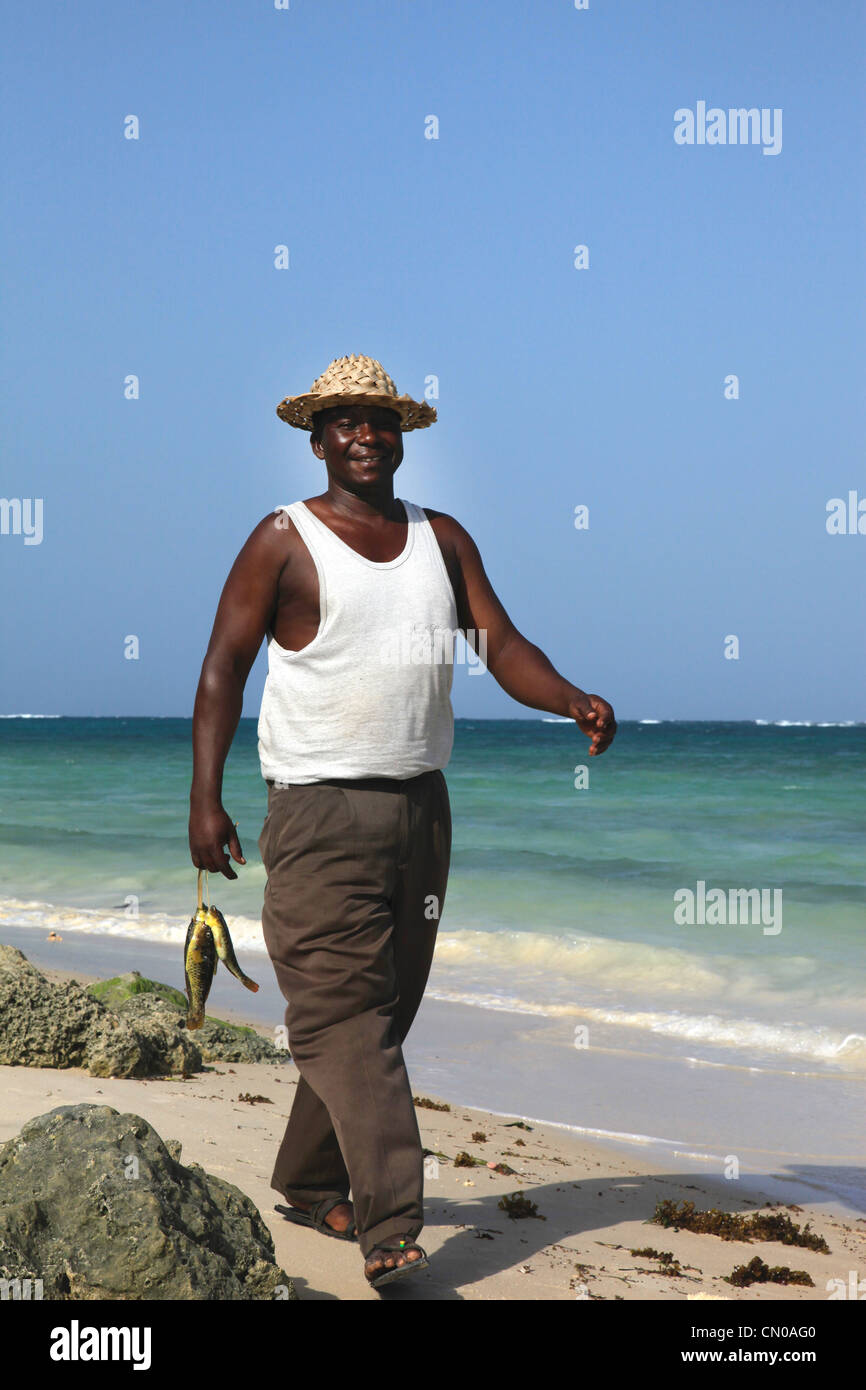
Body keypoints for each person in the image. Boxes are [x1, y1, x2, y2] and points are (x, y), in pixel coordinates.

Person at [188, 353, 616, 1290]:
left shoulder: (442, 539)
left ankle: (307, 1177)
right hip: (315, 813)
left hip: (423, 812)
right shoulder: (283, 539)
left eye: (381, 422)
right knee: (347, 1018)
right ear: (318, 440)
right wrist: (204, 797)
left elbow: (499, 644)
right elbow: (224, 665)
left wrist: (570, 697)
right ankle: (391, 1223)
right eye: (347, 423)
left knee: (380, 1014)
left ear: (403, 436)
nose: (366, 437)